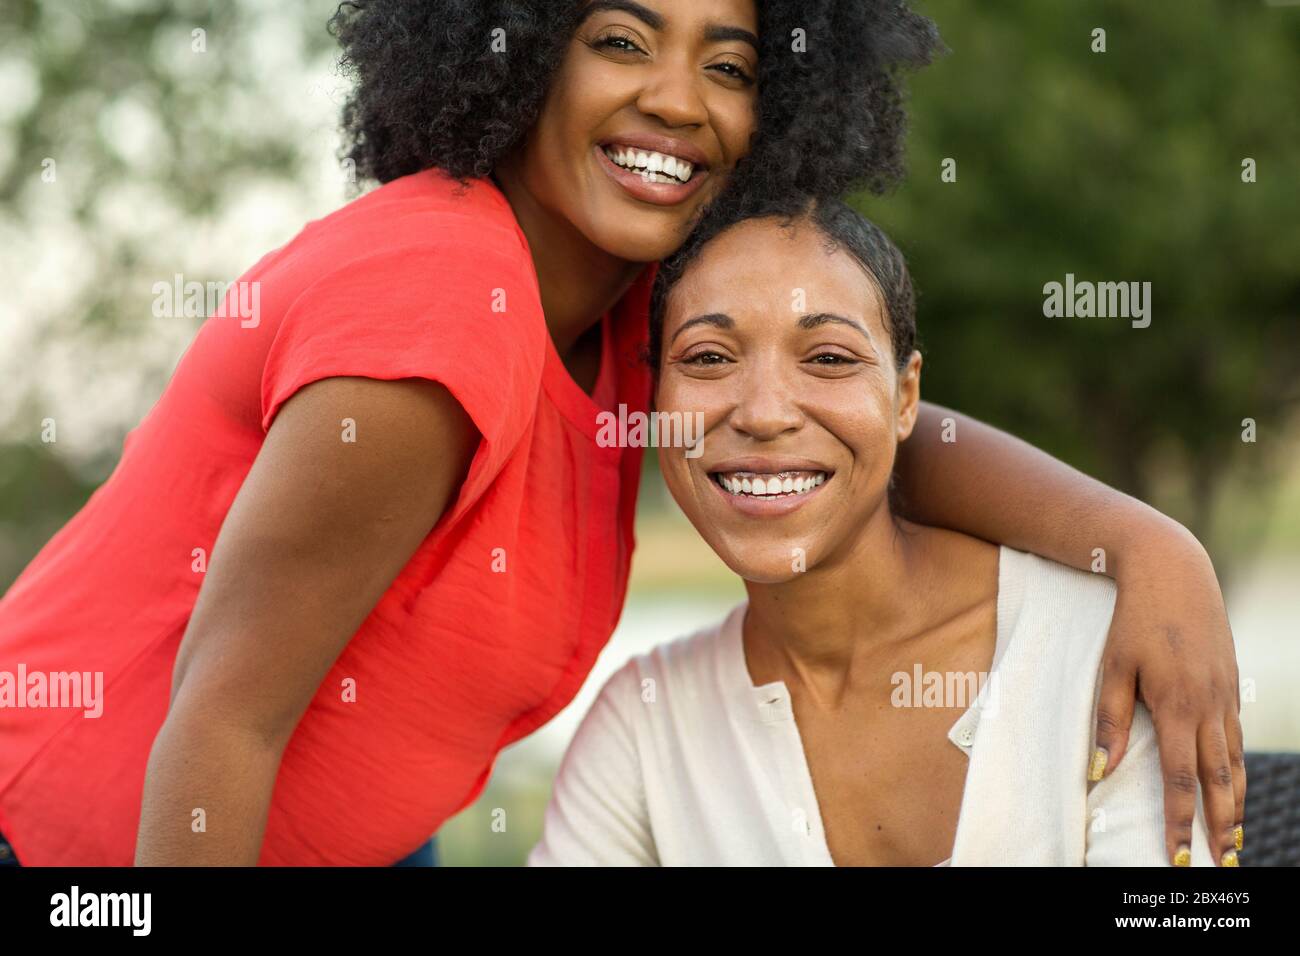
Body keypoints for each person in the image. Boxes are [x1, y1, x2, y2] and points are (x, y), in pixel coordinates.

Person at [0, 0, 1241, 867]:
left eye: (732, 63)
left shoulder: (638, 301)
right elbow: (222, 719)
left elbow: (857, 424)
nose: (676, 99)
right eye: (621, 41)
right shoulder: (441, 297)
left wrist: (1143, 548)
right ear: (524, 51)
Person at [529, 198, 1224, 866]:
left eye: (829, 357)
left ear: (907, 398)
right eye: (709, 358)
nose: (764, 414)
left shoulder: (1106, 649)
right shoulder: (648, 724)